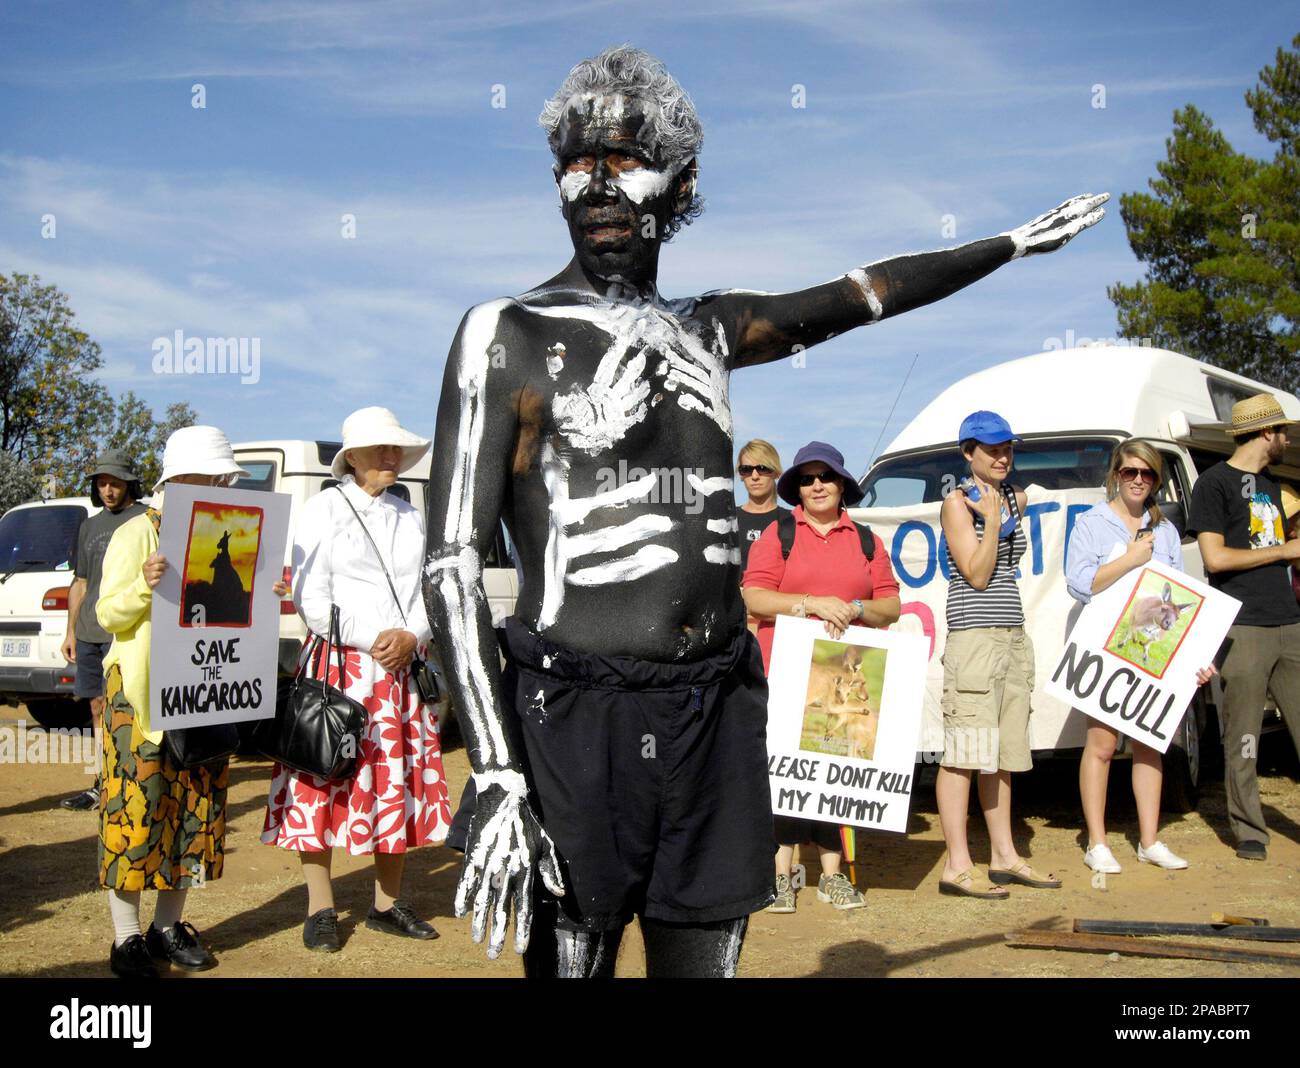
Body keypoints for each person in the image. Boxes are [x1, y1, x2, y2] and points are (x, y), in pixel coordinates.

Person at [422, 45, 1105, 976]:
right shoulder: (507, 335)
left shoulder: (710, 331)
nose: (597, 185)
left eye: (622, 159)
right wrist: (496, 767)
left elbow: (859, 297)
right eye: (575, 165)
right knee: (574, 956)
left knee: (707, 956)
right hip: (574, 715)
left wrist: (1006, 247)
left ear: (681, 180)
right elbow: (453, 561)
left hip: (715, 705)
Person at [263, 407, 452, 950]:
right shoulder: (323, 510)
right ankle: (320, 908)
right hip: (339, 668)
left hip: (399, 672)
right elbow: (309, 597)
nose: (391, 457)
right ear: (354, 459)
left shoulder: (411, 517)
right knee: (322, 775)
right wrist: (376, 639)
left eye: (396, 449)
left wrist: (413, 636)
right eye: (380, 449)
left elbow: (429, 590)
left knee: (393, 780)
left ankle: (386, 905)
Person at [95, 426, 249, 978]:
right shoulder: (138, 532)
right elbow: (105, 615)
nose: (222, 482)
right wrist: (144, 584)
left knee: (192, 816)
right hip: (140, 703)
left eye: (224, 476)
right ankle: (125, 939)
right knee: (135, 816)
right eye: (215, 474)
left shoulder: (225, 531)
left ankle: (167, 927)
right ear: (184, 476)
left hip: (202, 693)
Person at [742, 442, 899, 913]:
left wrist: (853, 608)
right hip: (784, 671)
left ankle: (832, 877)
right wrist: (810, 603)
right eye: (807, 479)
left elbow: (890, 607)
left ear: (842, 485)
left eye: (825, 477)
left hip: (845, 677)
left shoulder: (866, 539)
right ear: (797, 488)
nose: (816, 486)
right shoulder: (779, 533)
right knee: (787, 771)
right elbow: (753, 596)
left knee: (835, 774)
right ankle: (781, 875)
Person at [1065, 439, 1217, 874]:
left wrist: (1197, 659)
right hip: (1107, 646)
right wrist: (1130, 560)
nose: (1137, 480)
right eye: (1130, 471)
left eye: (1147, 474)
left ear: (1156, 480)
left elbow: (1183, 601)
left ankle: (1149, 841)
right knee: (1103, 745)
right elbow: (1079, 585)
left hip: (1153, 650)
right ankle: (1096, 842)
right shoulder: (1091, 524)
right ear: (1116, 474)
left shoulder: (1166, 530)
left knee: (1151, 743)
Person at [935, 411, 1058, 898]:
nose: (1002, 456)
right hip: (974, 637)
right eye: (991, 449)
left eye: (1007, 447)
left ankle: (1005, 856)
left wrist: (1004, 509)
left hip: (1010, 635)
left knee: (1002, 755)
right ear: (968, 454)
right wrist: (989, 522)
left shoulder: (1011, 497)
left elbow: (1026, 503)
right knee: (964, 754)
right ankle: (957, 865)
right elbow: (978, 573)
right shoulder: (957, 503)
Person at [1187, 394, 1300, 861]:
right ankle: (1250, 831)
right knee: (1244, 737)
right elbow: (1215, 558)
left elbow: (1272, 541)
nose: (1288, 440)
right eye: (1283, 432)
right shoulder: (1213, 485)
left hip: (1290, 623)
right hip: (1242, 627)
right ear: (1266, 433)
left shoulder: (1272, 487)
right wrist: (1285, 551)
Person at [58, 450, 147, 811]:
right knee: (97, 707)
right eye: (102, 483)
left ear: (129, 484)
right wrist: (70, 632)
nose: (108, 490)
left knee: (133, 707)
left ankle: (136, 779)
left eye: (115, 483)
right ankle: (103, 782)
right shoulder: (90, 526)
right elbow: (80, 582)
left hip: (128, 631)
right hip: (90, 632)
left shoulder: (146, 519)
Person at [735, 439, 784, 570]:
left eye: (762, 468)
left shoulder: (792, 521)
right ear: (740, 475)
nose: (755, 476)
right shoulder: (727, 520)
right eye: (746, 469)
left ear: (776, 472)